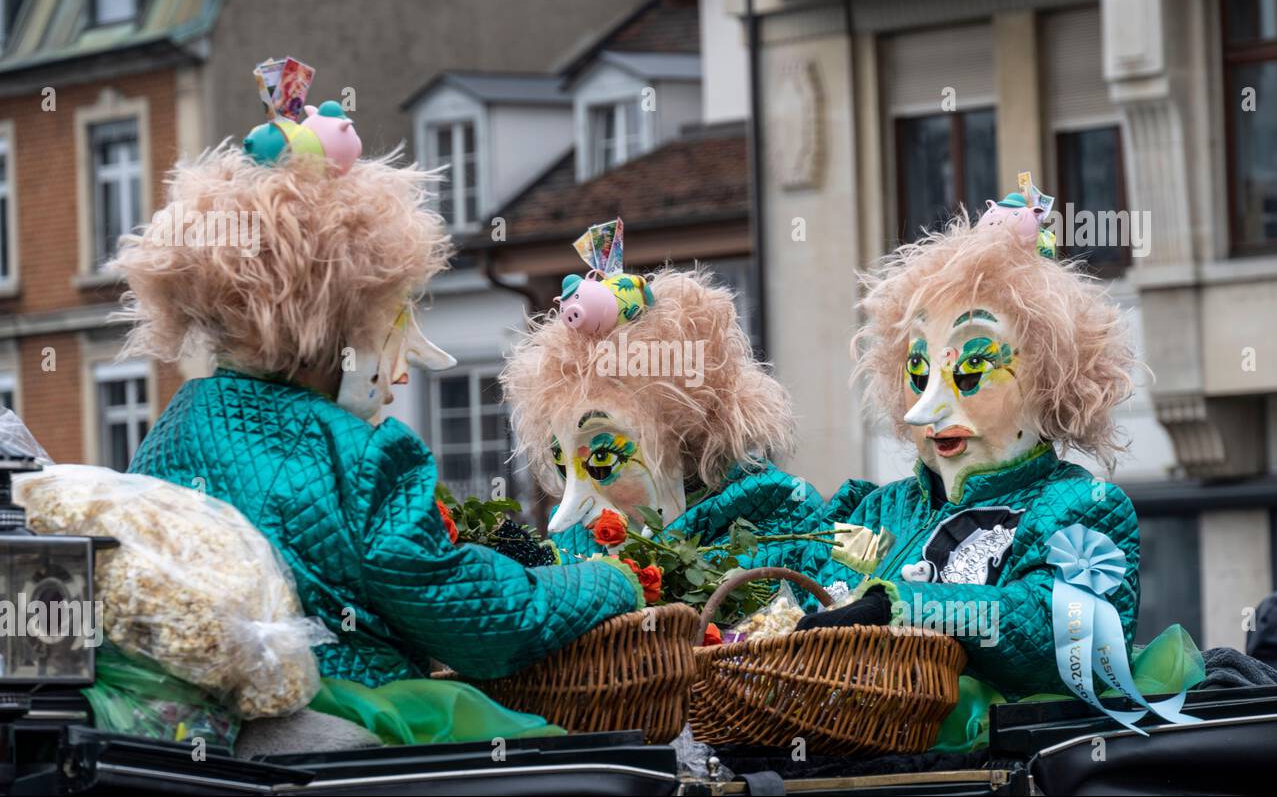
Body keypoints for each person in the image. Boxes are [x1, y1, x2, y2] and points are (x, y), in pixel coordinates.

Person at [109, 79, 644, 744]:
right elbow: (474, 616)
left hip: (203, 730)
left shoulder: (172, 429)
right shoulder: (363, 454)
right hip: (345, 722)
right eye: (386, 327)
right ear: (338, 321)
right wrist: (603, 584)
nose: (392, 364)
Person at [797, 198, 1146, 703]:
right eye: (919, 373)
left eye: (970, 371)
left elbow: (1067, 636)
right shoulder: (873, 512)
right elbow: (789, 586)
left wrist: (902, 606)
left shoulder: (1083, 508)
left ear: (1051, 381)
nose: (924, 409)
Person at [502, 247, 826, 590]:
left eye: (602, 455)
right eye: (564, 465)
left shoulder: (785, 525)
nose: (565, 512)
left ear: (684, 441)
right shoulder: (569, 548)